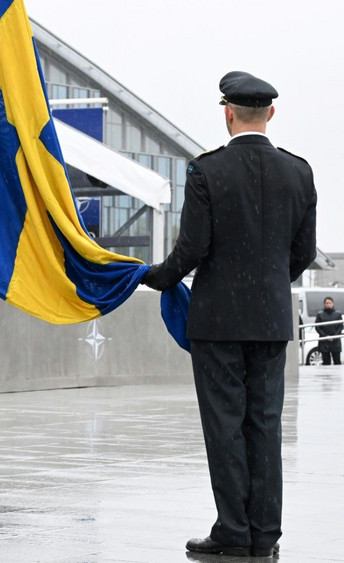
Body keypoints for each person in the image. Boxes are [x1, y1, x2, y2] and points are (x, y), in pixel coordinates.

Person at [142, 71, 317, 558]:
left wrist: (156, 276)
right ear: (271, 113)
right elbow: (303, 253)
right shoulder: (299, 172)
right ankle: (265, 535)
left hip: (218, 321)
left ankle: (233, 532)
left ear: (228, 114)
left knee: (225, 426)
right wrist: (268, 286)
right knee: (266, 426)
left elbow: (191, 249)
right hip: (271, 321)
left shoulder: (207, 170)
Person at [315, 297, 342, 365]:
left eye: (330, 303)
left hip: (335, 341)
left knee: (337, 362)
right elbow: (317, 327)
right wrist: (325, 336)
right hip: (324, 342)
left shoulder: (338, 314)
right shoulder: (320, 314)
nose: (328, 304)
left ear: (333, 304)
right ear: (324, 304)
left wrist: (335, 336)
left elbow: (340, 326)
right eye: (326, 303)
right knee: (326, 362)